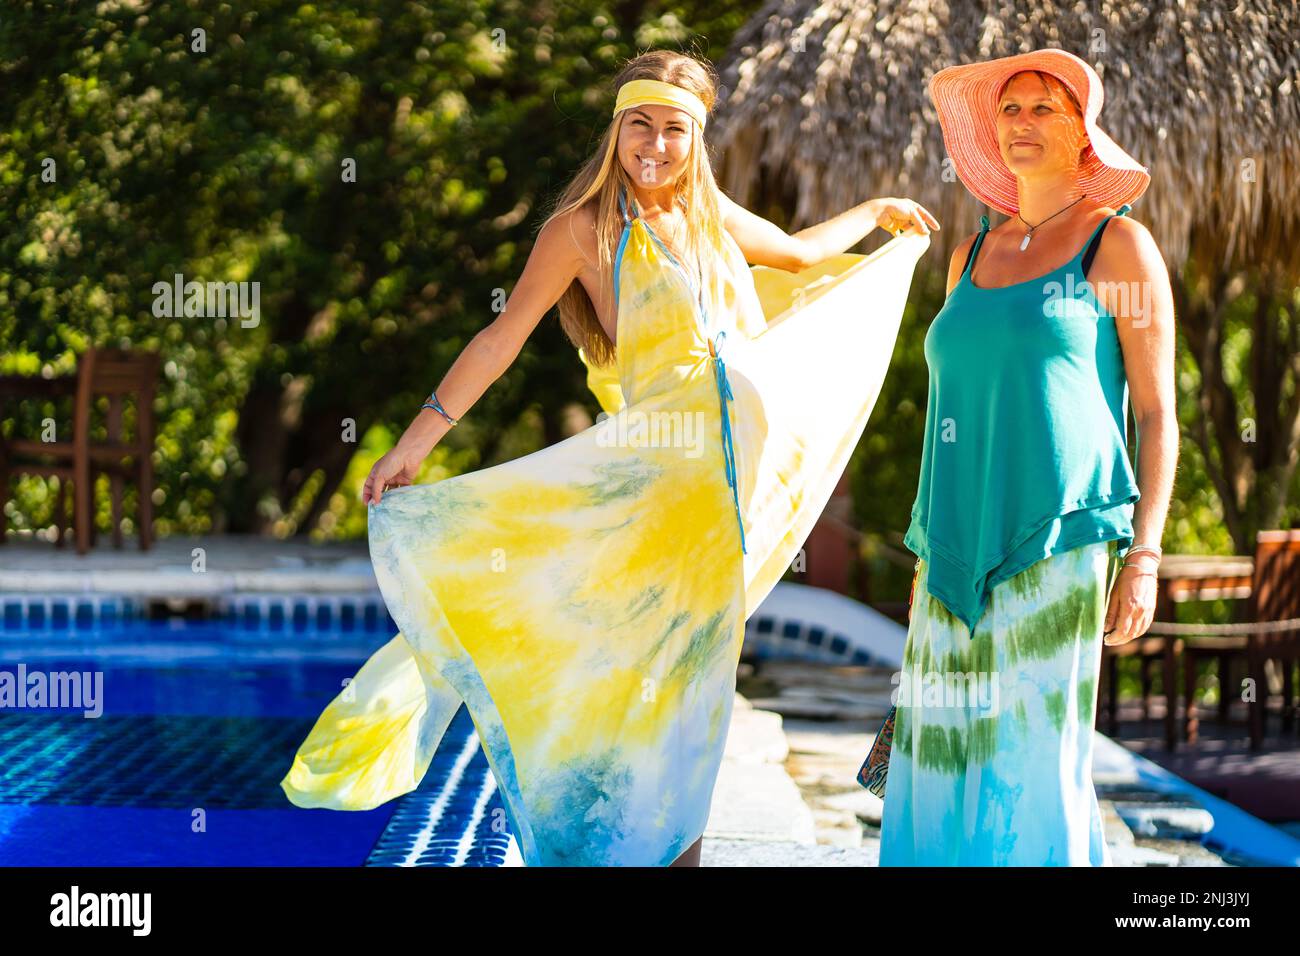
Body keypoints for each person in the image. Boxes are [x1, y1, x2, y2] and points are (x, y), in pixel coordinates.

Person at [280, 49, 935, 866]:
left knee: (697, 697)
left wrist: (877, 212)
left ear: (697, 138)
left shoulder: (712, 216)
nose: (656, 145)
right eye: (641, 126)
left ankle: (672, 856)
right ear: (616, 130)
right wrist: (415, 444)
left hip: (728, 493)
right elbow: (499, 339)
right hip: (652, 483)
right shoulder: (581, 232)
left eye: (675, 130)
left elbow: (801, 256)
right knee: (630, 676)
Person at [878, 49, 1178, 866]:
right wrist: (922, 547)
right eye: (1010, 110)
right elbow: (951, 411)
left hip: (1060, 539)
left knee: (1029, 763)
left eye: (1045, 107)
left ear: (1085, 130)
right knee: (936, 759)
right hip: (949, 546)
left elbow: (1156, 413)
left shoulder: (1118, 248)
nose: (1022, 123)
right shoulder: (968, 256)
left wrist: (1144, 555)